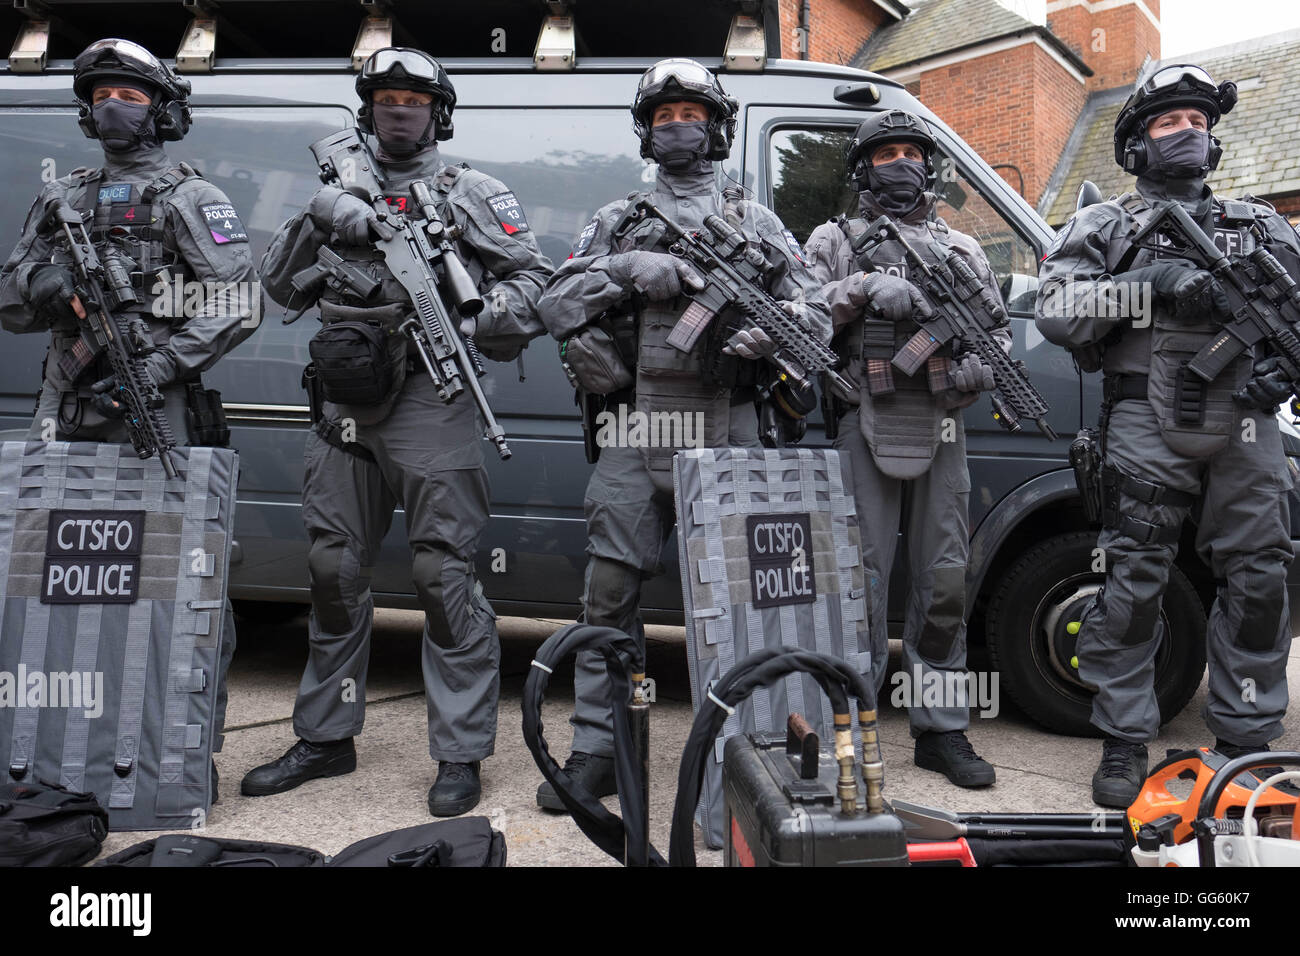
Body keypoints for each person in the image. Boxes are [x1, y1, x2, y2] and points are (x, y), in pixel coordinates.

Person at [247, 48, 552, 816]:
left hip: (431, 399)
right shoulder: (336, 182)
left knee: (444, 579)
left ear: (438, 112)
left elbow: (533, 280)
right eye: (385, 96)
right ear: (366, 107)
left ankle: (458, 753)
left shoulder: (471, 191)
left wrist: (483, 315)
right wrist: (318, 217)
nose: (399, 109)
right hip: (344, 404)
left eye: (415, 98)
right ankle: (325, 737)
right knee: (332, 571)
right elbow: (279, 284)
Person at [534, 58, 831, 810]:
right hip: (638, 423)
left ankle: (744, 753)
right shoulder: (619, 219)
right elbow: (555, 302)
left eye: (691, 111)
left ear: (717, 125)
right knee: (607, 593)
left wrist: (776, 334)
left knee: (744, 603)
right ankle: (596, 748)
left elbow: (818, 319)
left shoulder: (756, 222)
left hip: (729, 424)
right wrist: (630, 269)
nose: (677, 124)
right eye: (664, 114)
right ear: (646, 128)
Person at [1036, 65, 1298, 807]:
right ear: (1136, 147)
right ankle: (1124, 738)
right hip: (1143, 416)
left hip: (1246, 416)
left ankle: (1244, 744)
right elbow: (1058, 312)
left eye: (1198, 121)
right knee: (1134, 577)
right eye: (1167, 122)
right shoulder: (1106, 225)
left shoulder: (1261, 225)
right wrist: (1148, 283)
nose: (1188, 131)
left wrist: (1282, 369)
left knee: (1259, 578)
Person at [0, 38, 258, 778]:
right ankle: (49, 750)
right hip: (68, 400)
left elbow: (239, 302)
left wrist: (159, 361)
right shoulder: (63, 198)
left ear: (163, 110)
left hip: (156, 402)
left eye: (133, 96)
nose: (114, 106)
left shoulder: (190, 197)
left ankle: (182, 751)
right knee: (47, 569)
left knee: (181, 572)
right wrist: (49, 287)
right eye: (102, 94)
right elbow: (11, 299)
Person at [803, 109, 1002, 788]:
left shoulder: (964, 250)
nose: (899, 163)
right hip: (864, 419)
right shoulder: (834, 238)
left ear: (930, 164)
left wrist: (981, 370)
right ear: (863, 168)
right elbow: (796, 314)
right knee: (858, 580)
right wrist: (858, 289)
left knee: (944, 578)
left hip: (942, 426)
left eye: (910, 152)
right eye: (884, 153)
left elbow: (995, 337)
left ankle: (942, 731)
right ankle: (850, 728)